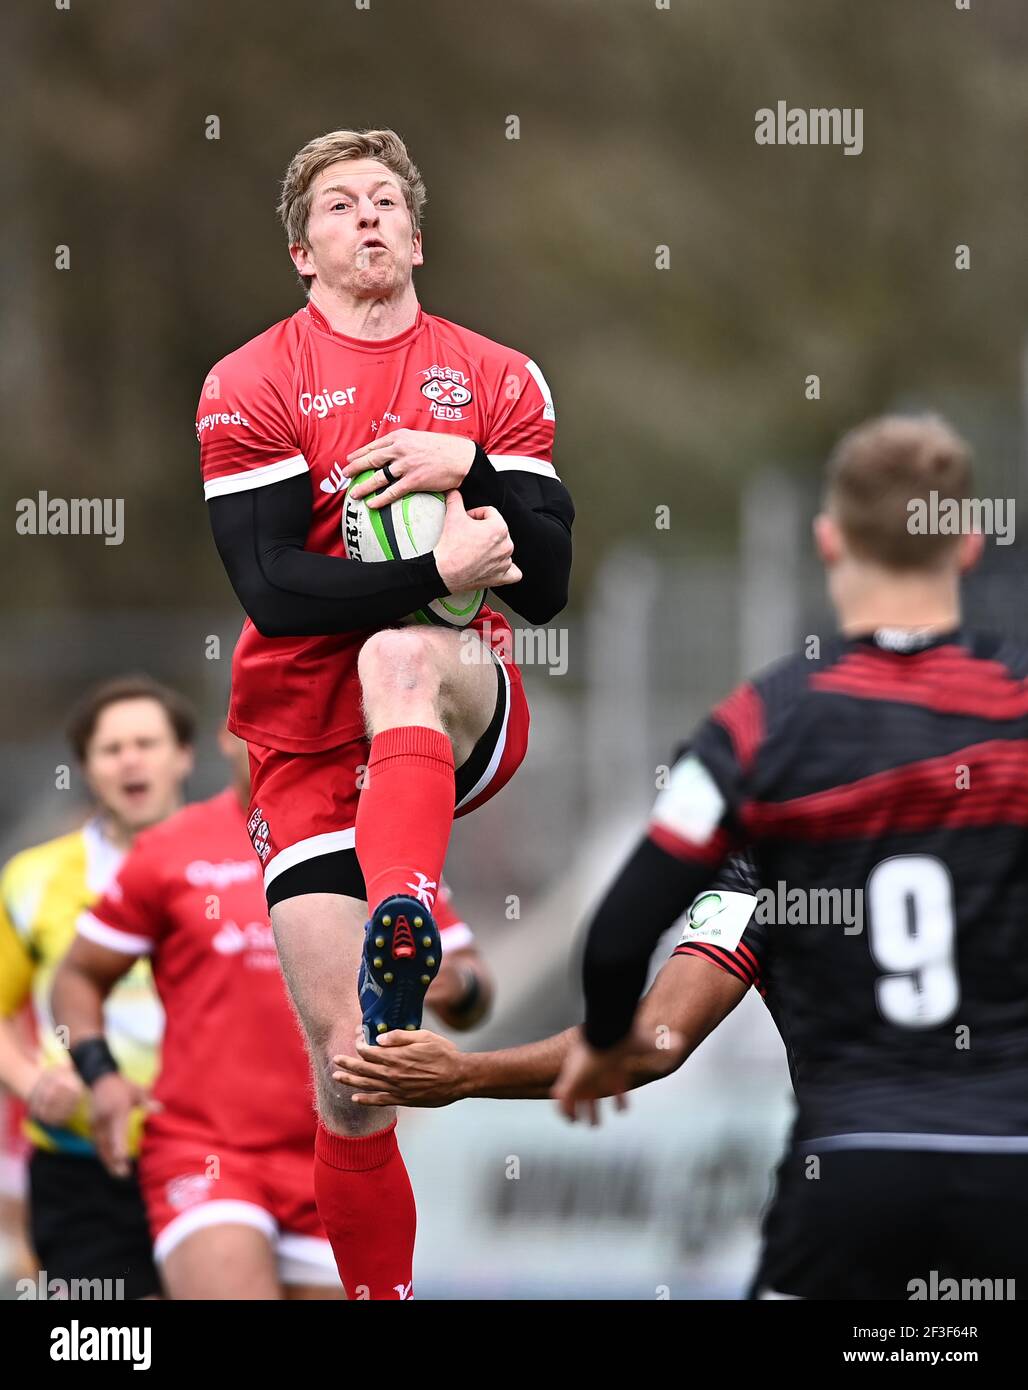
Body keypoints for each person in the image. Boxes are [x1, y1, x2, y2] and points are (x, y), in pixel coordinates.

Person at [338, 415, 1028, 1299]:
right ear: (969, 546)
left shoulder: (763, 733)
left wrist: (526, 1059)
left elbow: (644, 996)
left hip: (851, 1183)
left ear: (827, 541)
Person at [199, 127, 572, 1298]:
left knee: (403, 657)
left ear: (416, 234)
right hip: (300, 739)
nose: (366, 218)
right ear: (301, 249)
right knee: (355, 1069)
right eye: (337, 206)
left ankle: (403, 902)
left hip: (457, 699)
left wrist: (470, 463)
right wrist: (434, 562)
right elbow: (270, 587)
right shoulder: (249, 380)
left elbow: (550, 580)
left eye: (385, 203)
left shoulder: (498, 374)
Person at [52, 726, 495, 1299]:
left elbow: (477, 993)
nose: (283, 748)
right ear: (227, 738)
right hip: (207, 1152)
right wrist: (101, 1076)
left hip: (344, 1147)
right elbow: (78, 975)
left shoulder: (373, 842)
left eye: (303, 735)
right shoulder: (171, 847)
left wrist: (446, 986)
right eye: (265, 734)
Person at [0, 676, 195, 1299]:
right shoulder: (34, 877)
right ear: (86, 768)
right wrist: (34, 1085)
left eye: (147, 742)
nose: (131, 759)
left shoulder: (242, 864)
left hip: (213, 1158)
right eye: (111, 749)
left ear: (183, 756)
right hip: (79, 1164)